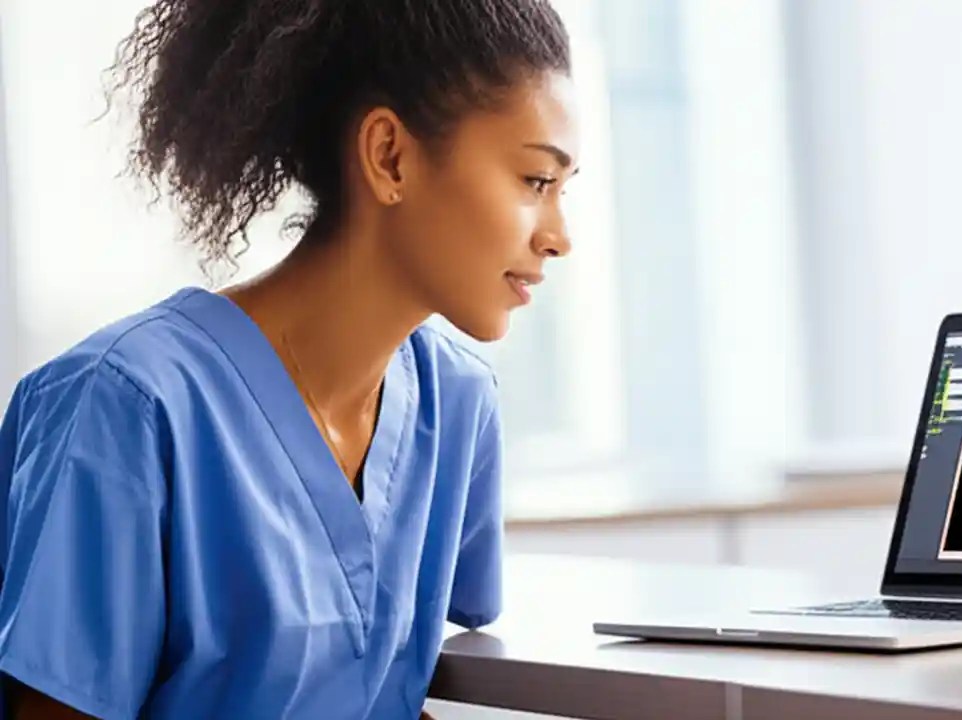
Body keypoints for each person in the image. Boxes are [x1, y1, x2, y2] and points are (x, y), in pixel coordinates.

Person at [0, 0, 578, 717]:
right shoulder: (127, 405)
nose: (558, 236)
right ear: (389, 156)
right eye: (535, 182)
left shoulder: (455, 404)